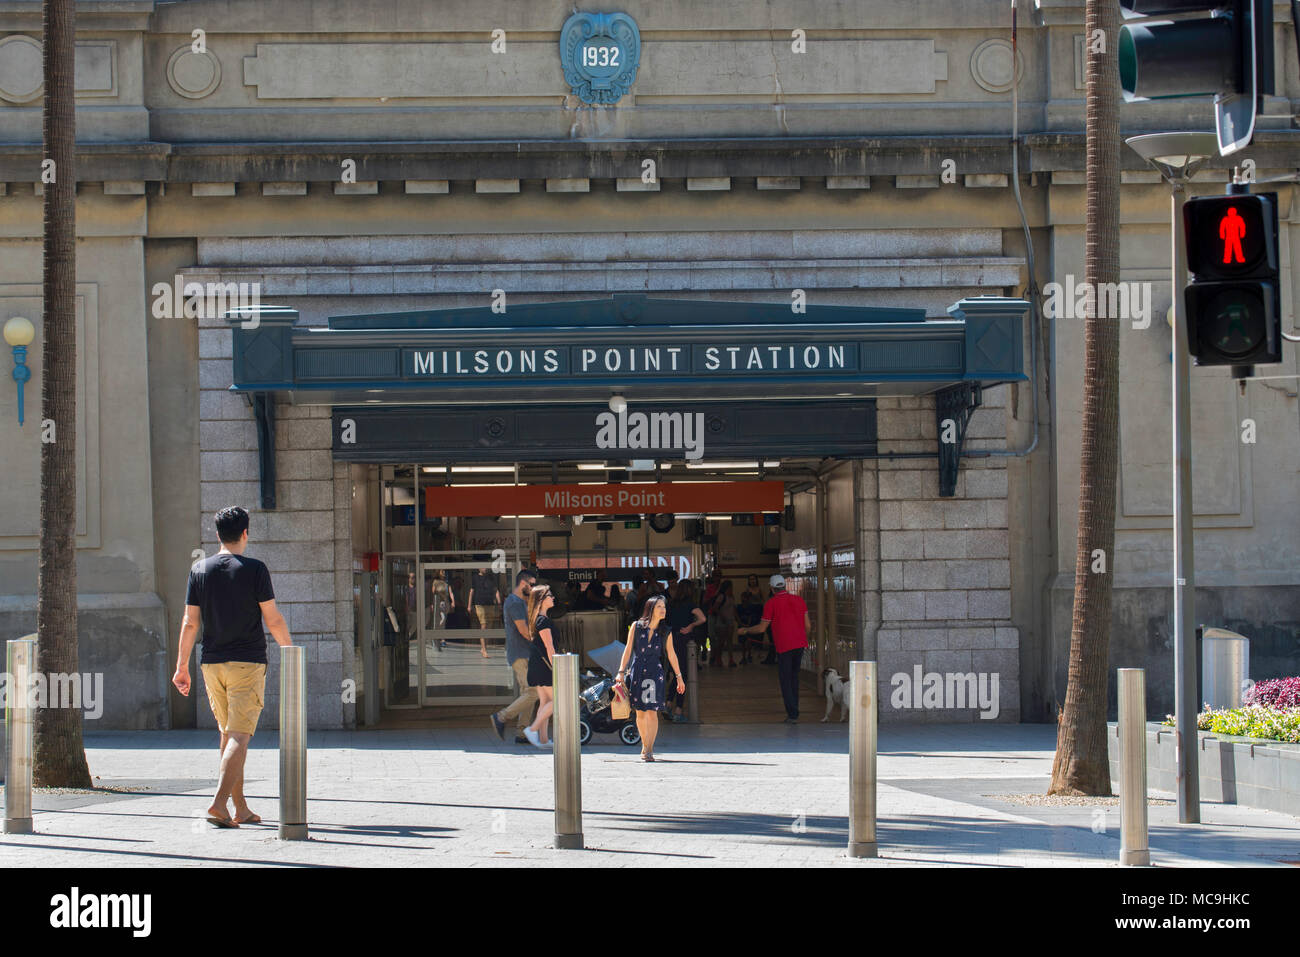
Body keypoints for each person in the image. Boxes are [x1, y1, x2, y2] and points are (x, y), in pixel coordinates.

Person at [173, 506, 293, 828]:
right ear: (245, 533)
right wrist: (290, 652)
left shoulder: (199, 569)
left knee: (228, 734)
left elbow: (189, 622)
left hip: (211, 663)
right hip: (247, 663)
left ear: (217, 534)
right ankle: (218, 804)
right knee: (240, 735)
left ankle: (240, 808)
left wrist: (181, 666)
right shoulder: (255, 570)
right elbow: (272, 619)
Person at [617, 595, 684, 761]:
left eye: (664, 607)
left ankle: (649, 749)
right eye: (659, 606)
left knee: (652, 712)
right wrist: (621, 672)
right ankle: (644, 745)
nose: (663, 610)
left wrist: (679, 677)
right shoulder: (636, 626)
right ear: (651, 609)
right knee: (640, 712)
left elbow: (672, 654)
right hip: (637, 672)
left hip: (655, 674)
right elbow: (628, 650)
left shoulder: (666, 631)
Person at [738, 574, 810, 723]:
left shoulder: (771, 603)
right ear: (784, 586)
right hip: (800, 645)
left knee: (785, 680)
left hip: (784, 646)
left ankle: (792, 714)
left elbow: (761, 628)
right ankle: (795, 709)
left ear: (772, 588)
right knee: (794, 678)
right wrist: (802, 639)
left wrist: (745, 630)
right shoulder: (799, 600)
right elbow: (808, 626)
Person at [490, 569, 539, 744]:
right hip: (520, 654)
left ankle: (522, 732)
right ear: (523, 584)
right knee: (533, 692)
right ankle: (501, 717)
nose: (533, 589)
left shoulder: (520, 602)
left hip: (524, 653)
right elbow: (524, 631)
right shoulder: (515, 603)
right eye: (532, 585)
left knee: (529, 692)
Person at [523, 585, 558, 748]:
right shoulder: (543, 621)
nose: (553, 597)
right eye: (550, 595)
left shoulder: (538, 619)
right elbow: (549, 647)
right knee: (557, 701)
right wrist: (556, 667)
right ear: (541, 600)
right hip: (545, 667)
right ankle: (532, 729)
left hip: (538, 665)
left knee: (545, 702)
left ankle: (543, 740)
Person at [665, 581, 706, 721]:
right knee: (683, 675)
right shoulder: (690, 604)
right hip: (683, 641)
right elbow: (703, 618)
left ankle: (668, 704)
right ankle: (678, 710)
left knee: (676, 674)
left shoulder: (671, 604)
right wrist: (691, 626)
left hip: (671, 640)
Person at [470, 567, 500, 658]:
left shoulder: (491, 577)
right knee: (484, 625)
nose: (485, 568)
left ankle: (483, 647)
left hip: (490, 604)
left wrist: (499, 602)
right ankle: (484, 650)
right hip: (479, 604)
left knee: (489, 627)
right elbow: (472, 591)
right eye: (483, 566)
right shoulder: (475, 577)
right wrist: (469, 605)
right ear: (479, 568)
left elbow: (496, 590)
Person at [710, 580, 739, 667]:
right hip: (722, 622)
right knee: (721, 642)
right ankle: (718, 658)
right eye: (730, 587)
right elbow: (715, 608)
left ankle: (731, 659)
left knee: (729, 641)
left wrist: (738, 620)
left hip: (730, 621)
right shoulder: (721, 597)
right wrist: (722, 616)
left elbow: (734, 609)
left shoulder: (731, 597)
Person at [736, 587, 764, 664]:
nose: (744, 599)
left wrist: (748, 625)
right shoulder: (739, 607)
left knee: (749, 642)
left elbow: (751, 616)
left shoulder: (751, 607)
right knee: (742, 643)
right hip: (741, 626)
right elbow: (737, 616)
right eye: (742, 597)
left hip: (749, 626)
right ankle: (743, 656)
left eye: (745, 598)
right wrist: (741, 624)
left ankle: (749, 655)